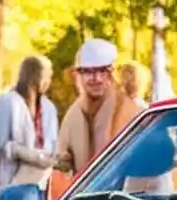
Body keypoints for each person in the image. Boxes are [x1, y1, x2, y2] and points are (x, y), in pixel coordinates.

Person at [0, 55, 58, 200]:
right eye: (47, 76)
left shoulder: (47, 107)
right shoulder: (6, 102)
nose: (48, 81)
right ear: (35, 76)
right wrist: (25, 154)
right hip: (10, 184)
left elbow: (52, 144)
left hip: (39, 183)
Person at [57, 39, 141, 178]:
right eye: (88, 72)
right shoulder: (73, 116)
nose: (96, 78)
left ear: (111, 74)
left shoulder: (129, 111)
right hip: (84, 197)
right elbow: (63, 164)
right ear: (78, 75)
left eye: (102, 72)